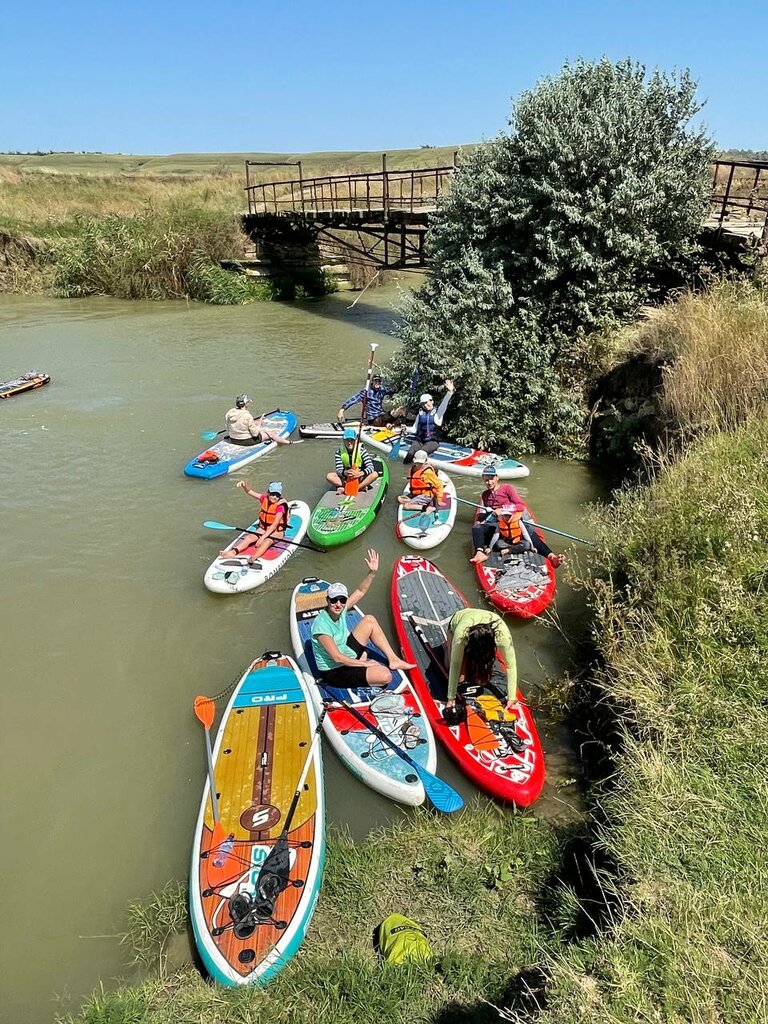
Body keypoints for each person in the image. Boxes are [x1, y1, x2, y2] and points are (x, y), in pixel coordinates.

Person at [311, 549, 415, 687]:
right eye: (334, 600)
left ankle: (393, 659)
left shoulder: (341, 609)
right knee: (385, 676)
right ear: (327, 600)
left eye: (342, 600)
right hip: (335, 670)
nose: (338, 604)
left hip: (346, 651)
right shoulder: (321, 625)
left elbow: (361, 591)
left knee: (369, 620)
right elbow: (337, 658)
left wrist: (372, 572)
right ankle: (362, 659)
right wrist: (365, 664)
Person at [443, 608, 526, 752]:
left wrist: (512, 697)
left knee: (481, 680)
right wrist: (451, 697)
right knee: (459, 676)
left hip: (483, 638)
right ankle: (446, 647)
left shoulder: (502, 636)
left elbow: (511, 665)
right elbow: (455, 666)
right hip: (458, 624)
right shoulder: (461, 634)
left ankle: (473, 658)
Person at [469, 465, 566, 568]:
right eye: (486, 480)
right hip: (498, 525)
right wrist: (481, 517)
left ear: (497, 478)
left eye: (491, 479)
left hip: (512, 521)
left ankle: (552, 557)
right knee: (477, 528)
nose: (489, 482)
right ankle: (480, 553)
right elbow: (490, 514)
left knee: (529, 531)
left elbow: (521, 506)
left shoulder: (507, 488)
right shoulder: (485, 495)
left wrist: (503, 510)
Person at [219, 480, 290, 564]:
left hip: (276, 531)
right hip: (263, 528)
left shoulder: (280, 506)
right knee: (249, 538)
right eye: (272, 494)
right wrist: (244, 485)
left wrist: (262, 538)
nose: (274, 497)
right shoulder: (264, 498)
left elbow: (274, 525)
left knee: (267, 541)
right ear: (268, 493)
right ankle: (232, 552)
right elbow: (249, 491)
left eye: (277, 495)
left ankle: (253, 557)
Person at [402, 380, 455, 464]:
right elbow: (414, 429)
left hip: (432, 442)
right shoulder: (420, 414)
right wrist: (406, 429)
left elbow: (444, 403)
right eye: (424, 404)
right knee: (409, 456)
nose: (426, 405)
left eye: (428, 402)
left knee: (420, 454)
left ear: (432, 401)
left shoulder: (438, 413)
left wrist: (450, 392)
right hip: (419, 441)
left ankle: (421, 470)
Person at [225, 395, 293, 447]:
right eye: (248, 402)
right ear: (246, 404)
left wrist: (258, 421)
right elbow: (255, 434)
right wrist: (260, 422)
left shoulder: (229, 413)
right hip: (247, 441)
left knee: (254, 423)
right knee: (270, 433)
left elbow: (228, 428)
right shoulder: (247, 415)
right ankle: (288, 442)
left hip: (233, 440)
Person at [326, 427, 379, 493]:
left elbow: (371, 467)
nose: (349, 442)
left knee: (375, 474)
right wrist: (346, 472)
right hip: (347, 478)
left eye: (351, 440)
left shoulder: (362, 451)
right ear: (343, 440)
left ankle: (356, 487)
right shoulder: (338, 453)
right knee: (329, 476)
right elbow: (339, 470)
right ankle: (354, 487)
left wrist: (360, 473)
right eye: (347, 440)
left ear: (356, 440)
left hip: (361, 477)